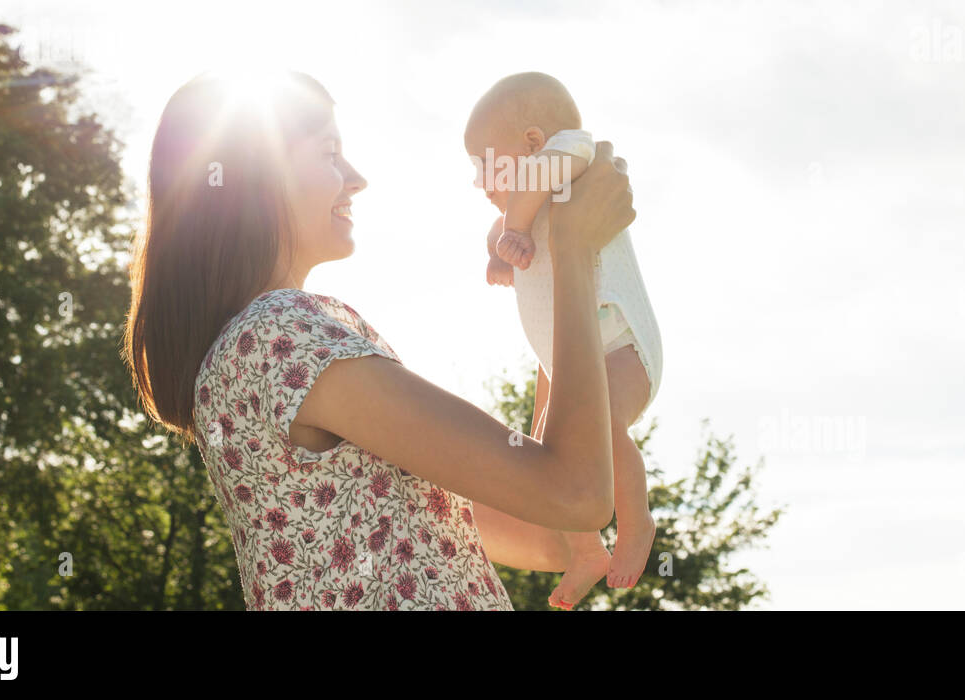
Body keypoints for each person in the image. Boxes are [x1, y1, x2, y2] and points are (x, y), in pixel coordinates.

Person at [123, 69, 636, 610]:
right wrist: (573, 251)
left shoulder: (265, 344)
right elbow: (576, 494)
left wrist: (552, 283)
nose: (356, 177)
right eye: (329, 154)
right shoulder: (281, 335)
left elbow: (550, 530)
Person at [465, 71, 662, 608]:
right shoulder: (518, 209)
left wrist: (514, 229)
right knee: (559, 448)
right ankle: (584, 550)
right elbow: (506, 219)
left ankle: (637, 520)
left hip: (620, 345)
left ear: (533, 142)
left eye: (486, 166)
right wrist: (497, 246)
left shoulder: (570, 155)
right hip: (570, 358)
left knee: (599, 430)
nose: (481, 182)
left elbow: (539, 182)